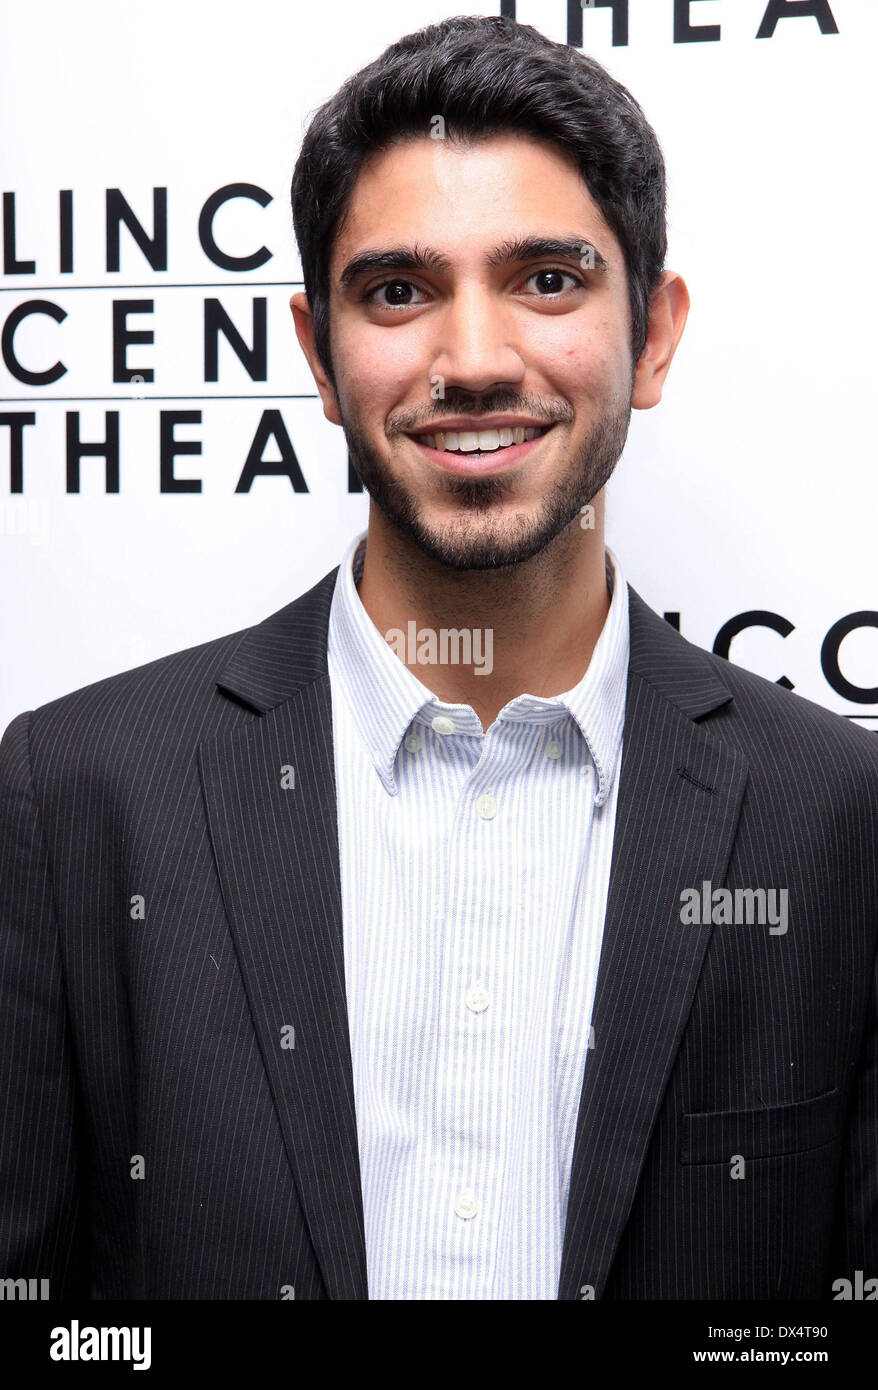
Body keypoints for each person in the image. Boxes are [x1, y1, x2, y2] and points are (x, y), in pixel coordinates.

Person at [1, 14, 875, 1301]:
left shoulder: (835, 819)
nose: (472, 361)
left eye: (547, 280)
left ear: (652, 333)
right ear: (315, 350)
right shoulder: (77, 798)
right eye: (398, 291)